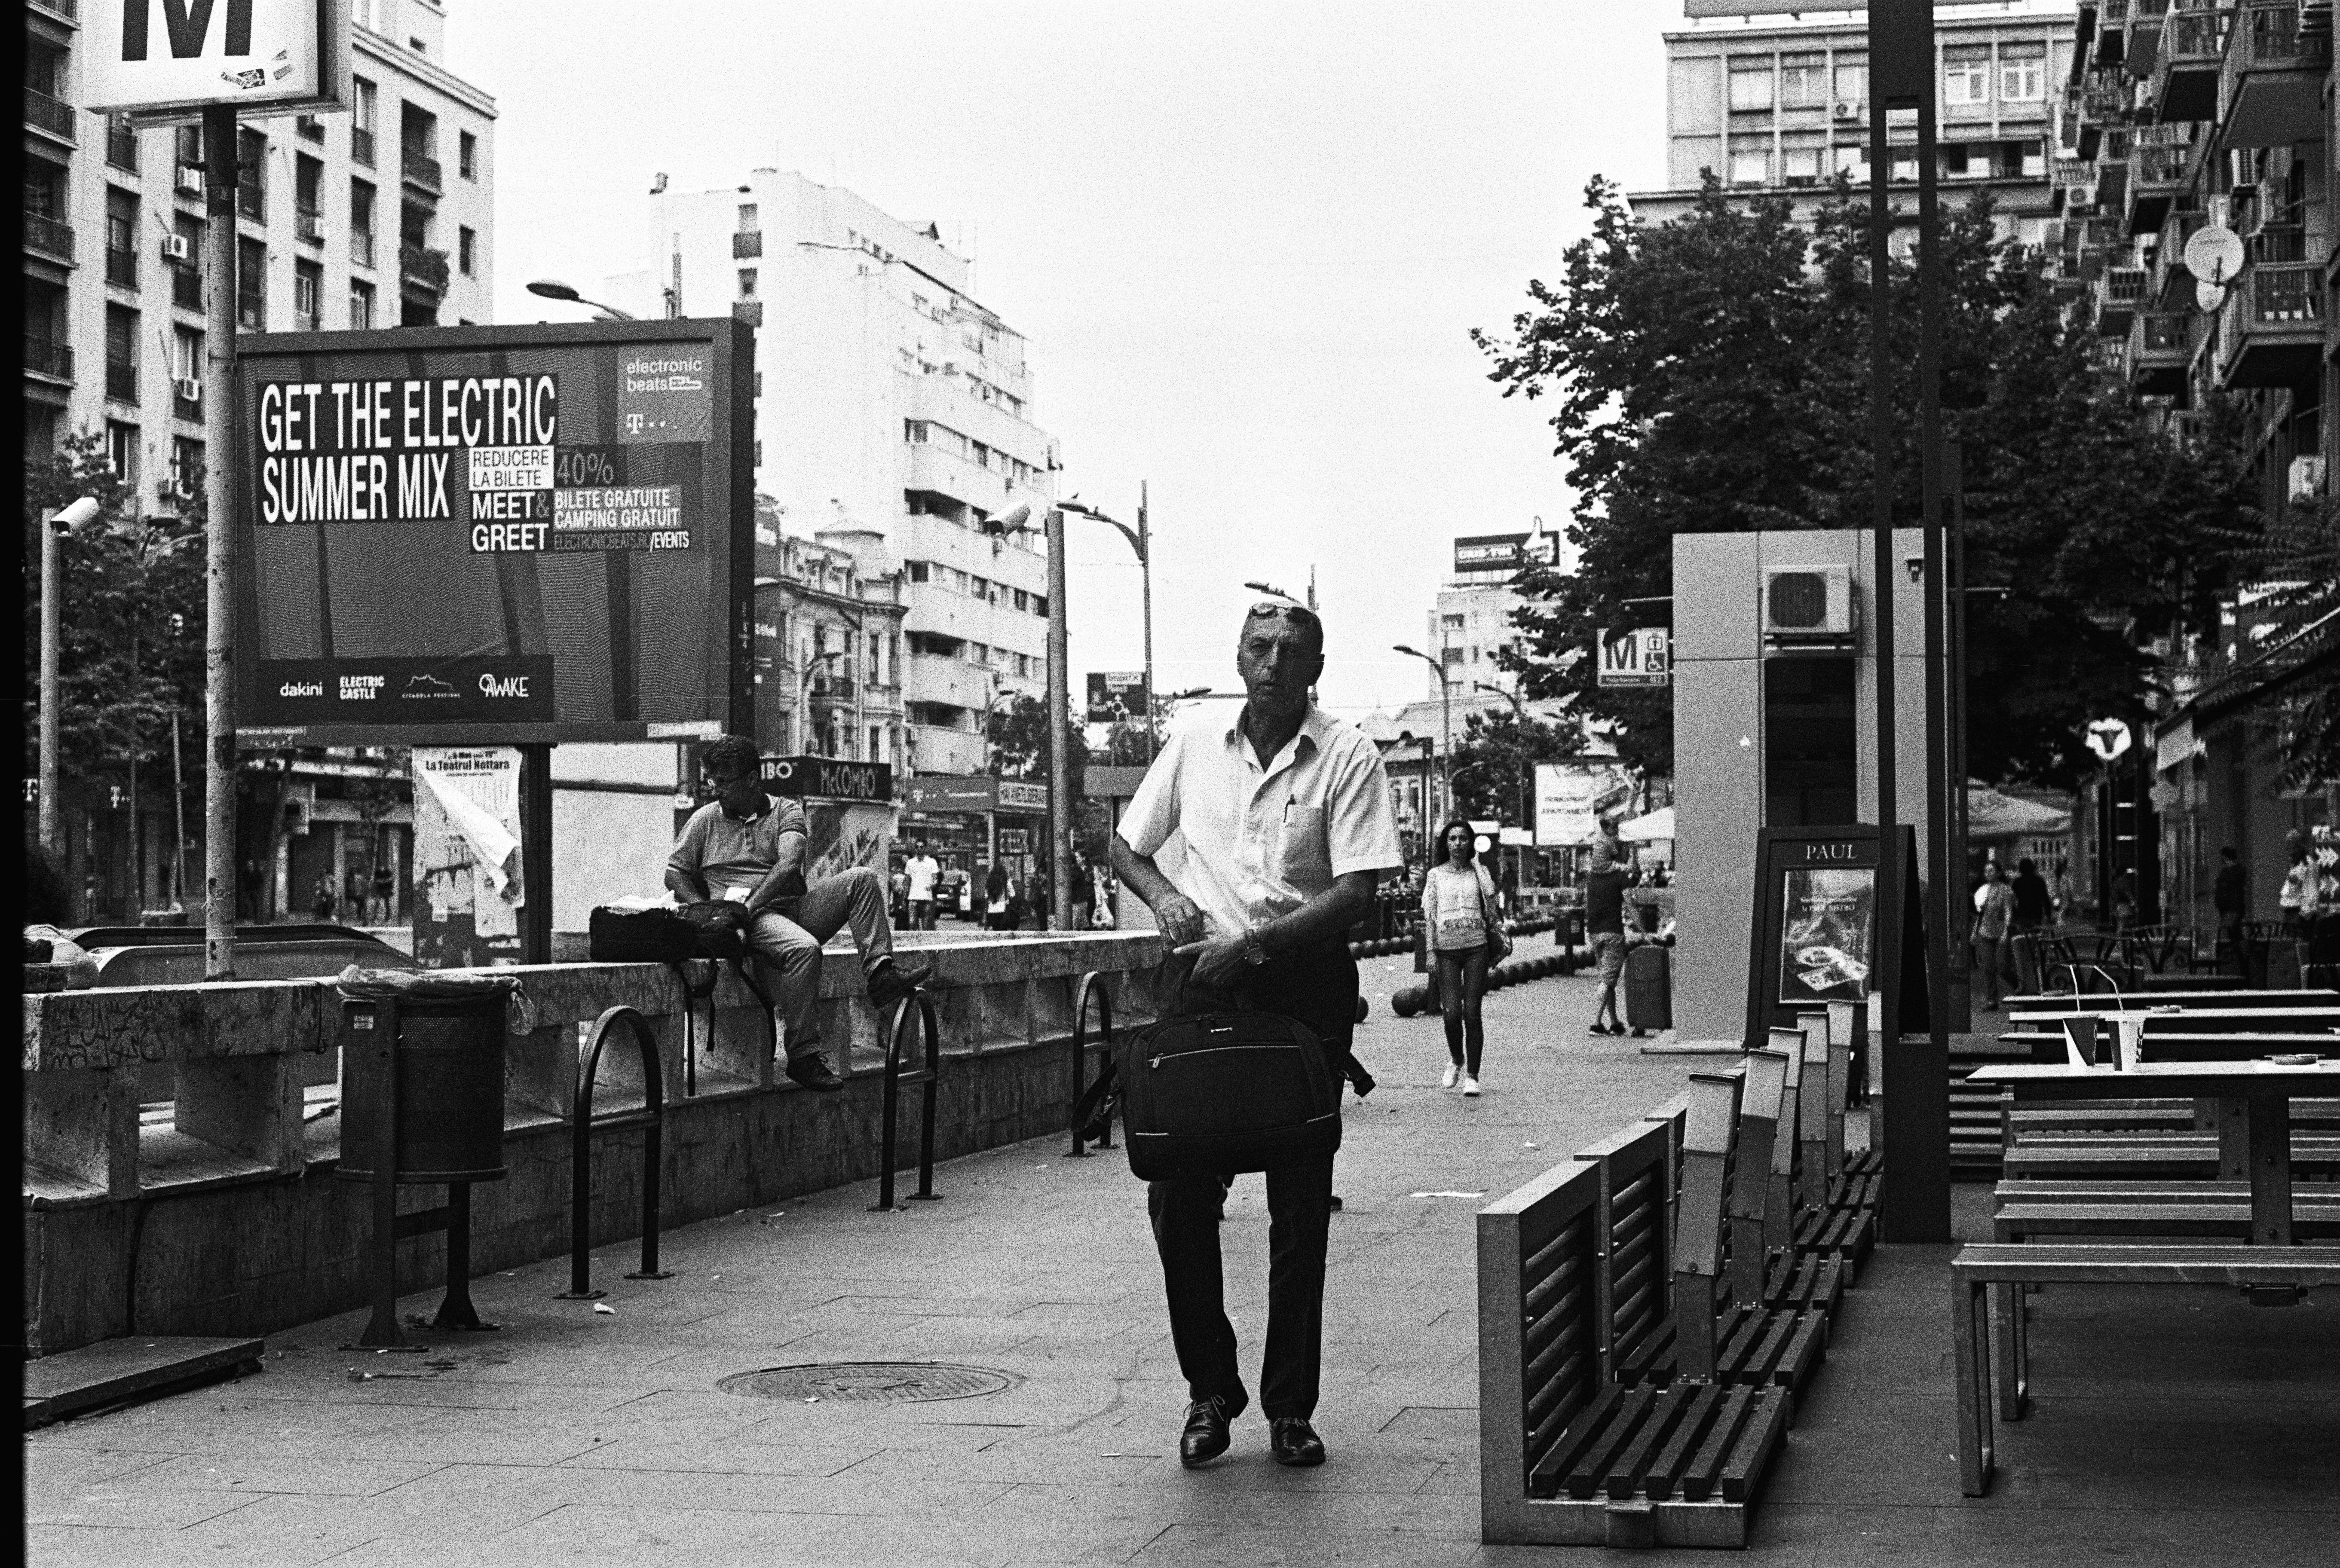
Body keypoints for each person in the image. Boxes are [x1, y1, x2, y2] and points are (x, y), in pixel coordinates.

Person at [1109, 599, 1403, 1472]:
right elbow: (1126, 845)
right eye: (1258, 646)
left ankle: (1289, 1407)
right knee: (1178, 1193)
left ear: (1315, 666)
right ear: (1238, 656)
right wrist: (1164, 898)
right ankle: (1210, 1390)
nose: (1271, 662)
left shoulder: (1346, 752)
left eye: (1289, 651)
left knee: (1298, 1201)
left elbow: (1357, 893)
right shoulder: (1195, 741)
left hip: (1300, 982)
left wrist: (1262, 943)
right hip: (1200, 977)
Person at [666, 735, 930, 1092]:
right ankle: (803, 1054)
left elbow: (790, 864)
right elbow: (675, 872)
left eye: (725, 782)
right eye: (714, 782)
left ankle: (881, 974)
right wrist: (705, 910)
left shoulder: (785, 811)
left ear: (751, 779)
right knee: (805, 949)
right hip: (750, 922)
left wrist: (749, 905)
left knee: (863, 879)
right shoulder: (704, 821)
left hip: (783, 907)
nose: (718, 790)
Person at [1422, 817, 1505, 1095]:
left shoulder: (1478, 871)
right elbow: (1430, 917)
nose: (1458, 843)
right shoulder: (1435, 875)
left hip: (1476, 947)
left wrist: (1481, 870)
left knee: (1472, 1012)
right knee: (1451, 1013)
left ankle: (1473, 1075)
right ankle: (1457, 1059)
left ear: (1471, 842)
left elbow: (1492, 903)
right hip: (1446, 950)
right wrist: (1431, 952)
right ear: (1446, 844)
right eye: (1453, 839)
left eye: (1463, 838)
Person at [1585, 830, 1629, 1036]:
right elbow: (1630, 905)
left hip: (1594, 933)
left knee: (1607, 978)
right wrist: (1643, 931)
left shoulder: (1592, 877)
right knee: (1607, 981)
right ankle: (1595, 1023)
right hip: (1613, 933)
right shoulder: (1619, 877)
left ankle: (1614, 1022)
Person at [1972, 862, 2015, 1010]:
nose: (1988, 873)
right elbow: (1980, 914)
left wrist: (2006, 932)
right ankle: (1992, 1000)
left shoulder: (2006, 891)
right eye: (1986, 871)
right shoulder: (1984, 891)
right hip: (1985, 931)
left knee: (2003, 967)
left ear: (1998, 873)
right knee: (1987, 967)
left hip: (2000, 931)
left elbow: (2009, 912)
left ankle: (2021, 988)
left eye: (1991, 871)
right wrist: (1975, 932)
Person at [2009, 857, 2052, 993]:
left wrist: (2014, 917)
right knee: (2037, 947)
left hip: (2022, 918)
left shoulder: (2017, 882)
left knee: (2023, 947)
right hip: (2036, 917)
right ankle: (2039, 979)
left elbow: (2013, 901)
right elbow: (2045, 898)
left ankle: (2026, 981)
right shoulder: (2039, 881)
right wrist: (2048, 916)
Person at [2214, 847, 2245, 971]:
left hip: (2230, 909)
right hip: (2233, 909)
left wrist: (2221, 904)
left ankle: (2232, 967)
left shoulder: (2228, 874)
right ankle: (2239, 965)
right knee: (2235, 936)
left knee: (2229, 937)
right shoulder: (2239, 872)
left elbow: (2224, 892)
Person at [904, 846, 941, 931]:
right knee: (912, 923)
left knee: (926, 924)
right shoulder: (910, 863)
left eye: (922, 847)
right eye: (917, 847)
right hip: (913, 897)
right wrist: (904, 896)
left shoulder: (932, 862)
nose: (919, 849)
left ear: (925, 849)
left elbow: (935, 880)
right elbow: (907, 881)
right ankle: (915, 942)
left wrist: (931, 886)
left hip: (926, 897)